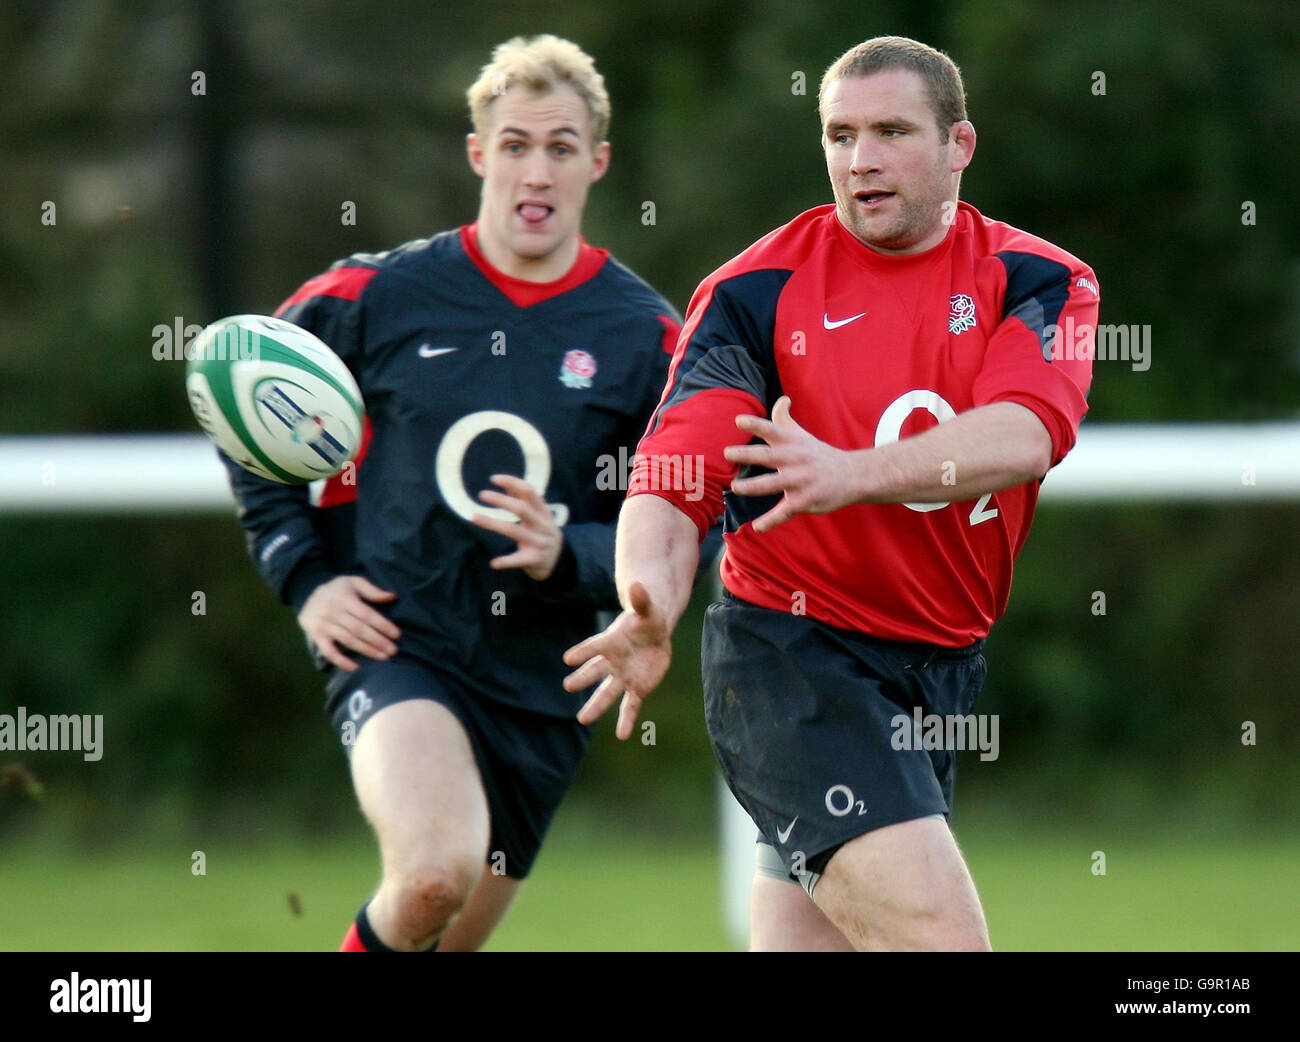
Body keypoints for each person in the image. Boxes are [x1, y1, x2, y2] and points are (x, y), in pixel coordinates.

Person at [564, 35, 1099, 951]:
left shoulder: (1038, 282)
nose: (862, 159)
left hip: (937, 666)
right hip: (792, 661)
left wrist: (849, 472)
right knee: (944, 944)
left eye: (892, 130)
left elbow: (1026, 432)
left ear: (960, 145)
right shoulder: (755, 293)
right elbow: (673, 476)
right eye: (840, 133)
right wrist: (645, 599)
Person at [220, 34, 682, 951]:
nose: (535, 170)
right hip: (405, 642)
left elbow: (689, 511)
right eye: (515, 145)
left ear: (597, 162)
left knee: (440, 939)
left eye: (559, 147)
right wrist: (305, 579)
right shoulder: (377, 293)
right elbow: (242, 392)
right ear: (480, 155)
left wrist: (577, 554)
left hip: (545, 688)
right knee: (432, 875)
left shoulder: (650, 339)